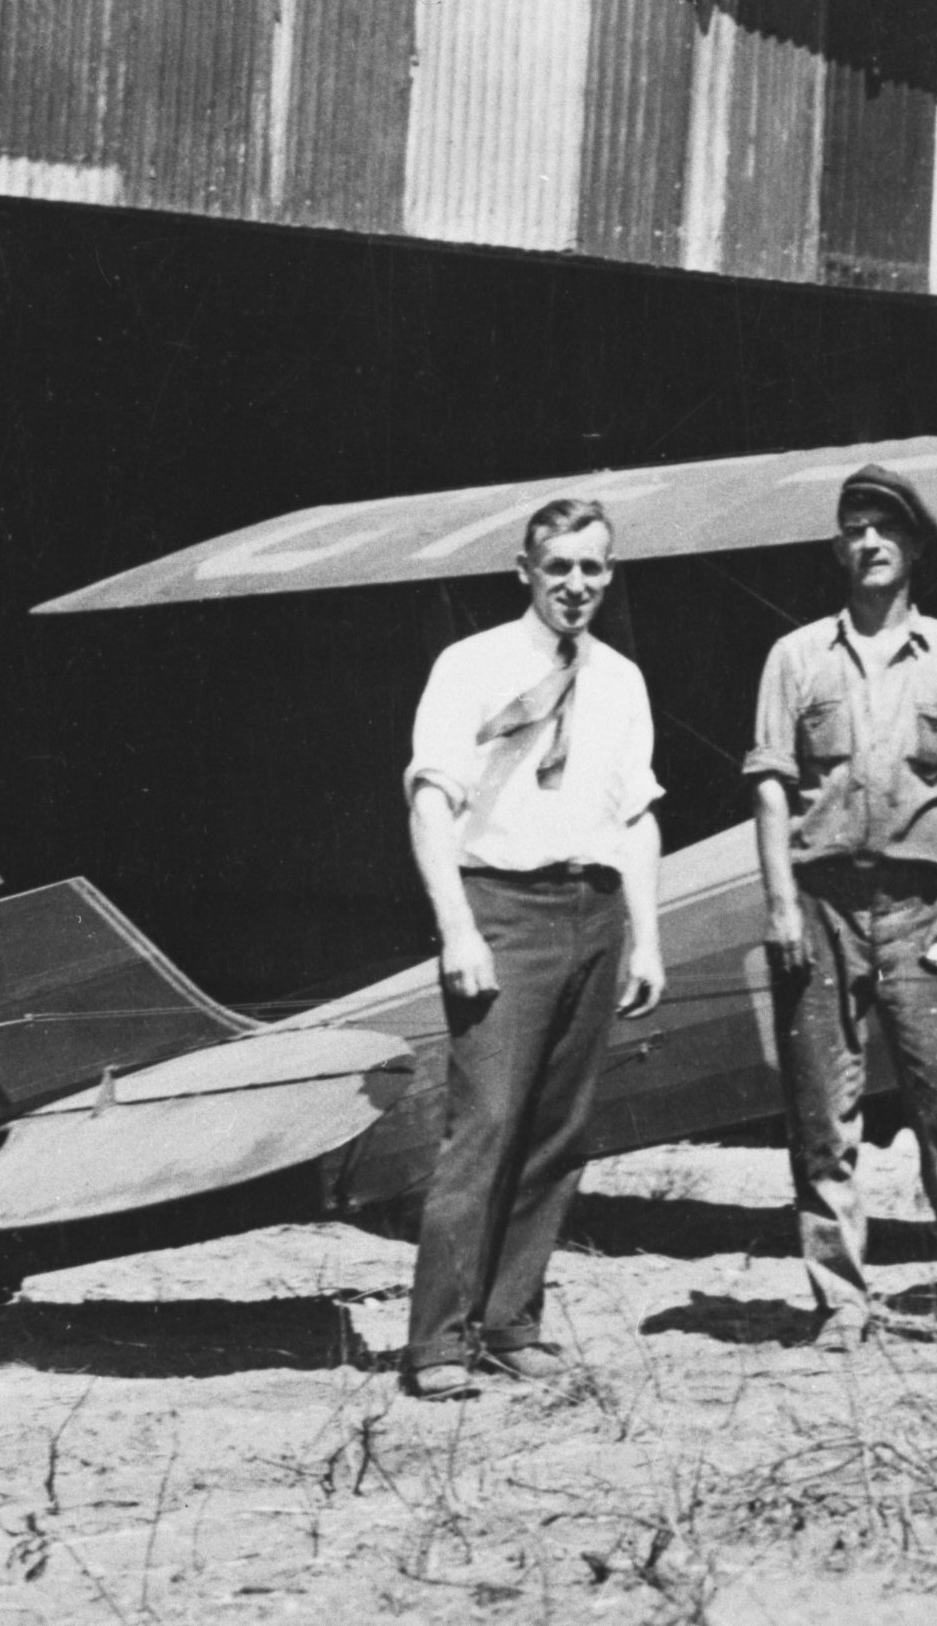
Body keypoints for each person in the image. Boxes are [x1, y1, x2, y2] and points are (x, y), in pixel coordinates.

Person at [744, 465, 937, 1353]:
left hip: (920, 907)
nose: (867, 541)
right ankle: (841, 1300)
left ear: (913, 544)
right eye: (852, 528)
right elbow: (769, 788)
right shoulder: (795, 657)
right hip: (823, 905)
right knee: (822, 1117)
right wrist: (782, 904)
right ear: (837, 547)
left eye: (884, 528)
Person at [394, 498, 667, 1393]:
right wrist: (457, 929)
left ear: (610, 573)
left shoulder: (621, 677)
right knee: (486, 1125)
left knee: (557, 1131)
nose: (576, 585)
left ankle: (511, 1321)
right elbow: (432, 801)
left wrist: (646, 940)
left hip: (593, 908)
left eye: (593, 568)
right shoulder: (470, 664)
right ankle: (436, 1340)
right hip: (503, 908)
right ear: (525, 570)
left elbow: (636, 816)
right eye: (559, 568)